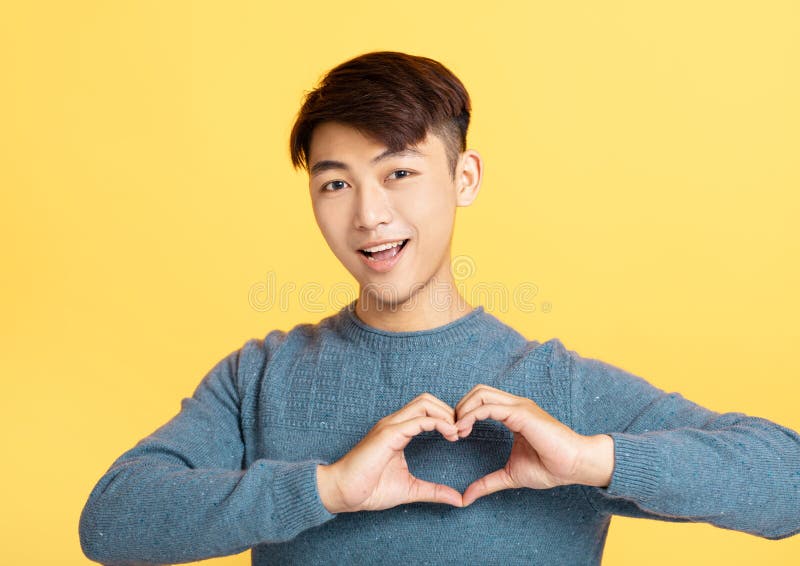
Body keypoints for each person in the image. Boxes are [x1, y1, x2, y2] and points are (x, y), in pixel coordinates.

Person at [79, 50, 800, 565]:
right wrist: (324, 488)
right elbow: (110, 523)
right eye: (335, 184)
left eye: (399, 172)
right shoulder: (257, 379)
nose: (369, 215)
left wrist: (593, 459)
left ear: (464, 177)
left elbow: (787, 484)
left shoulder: (561, 391)